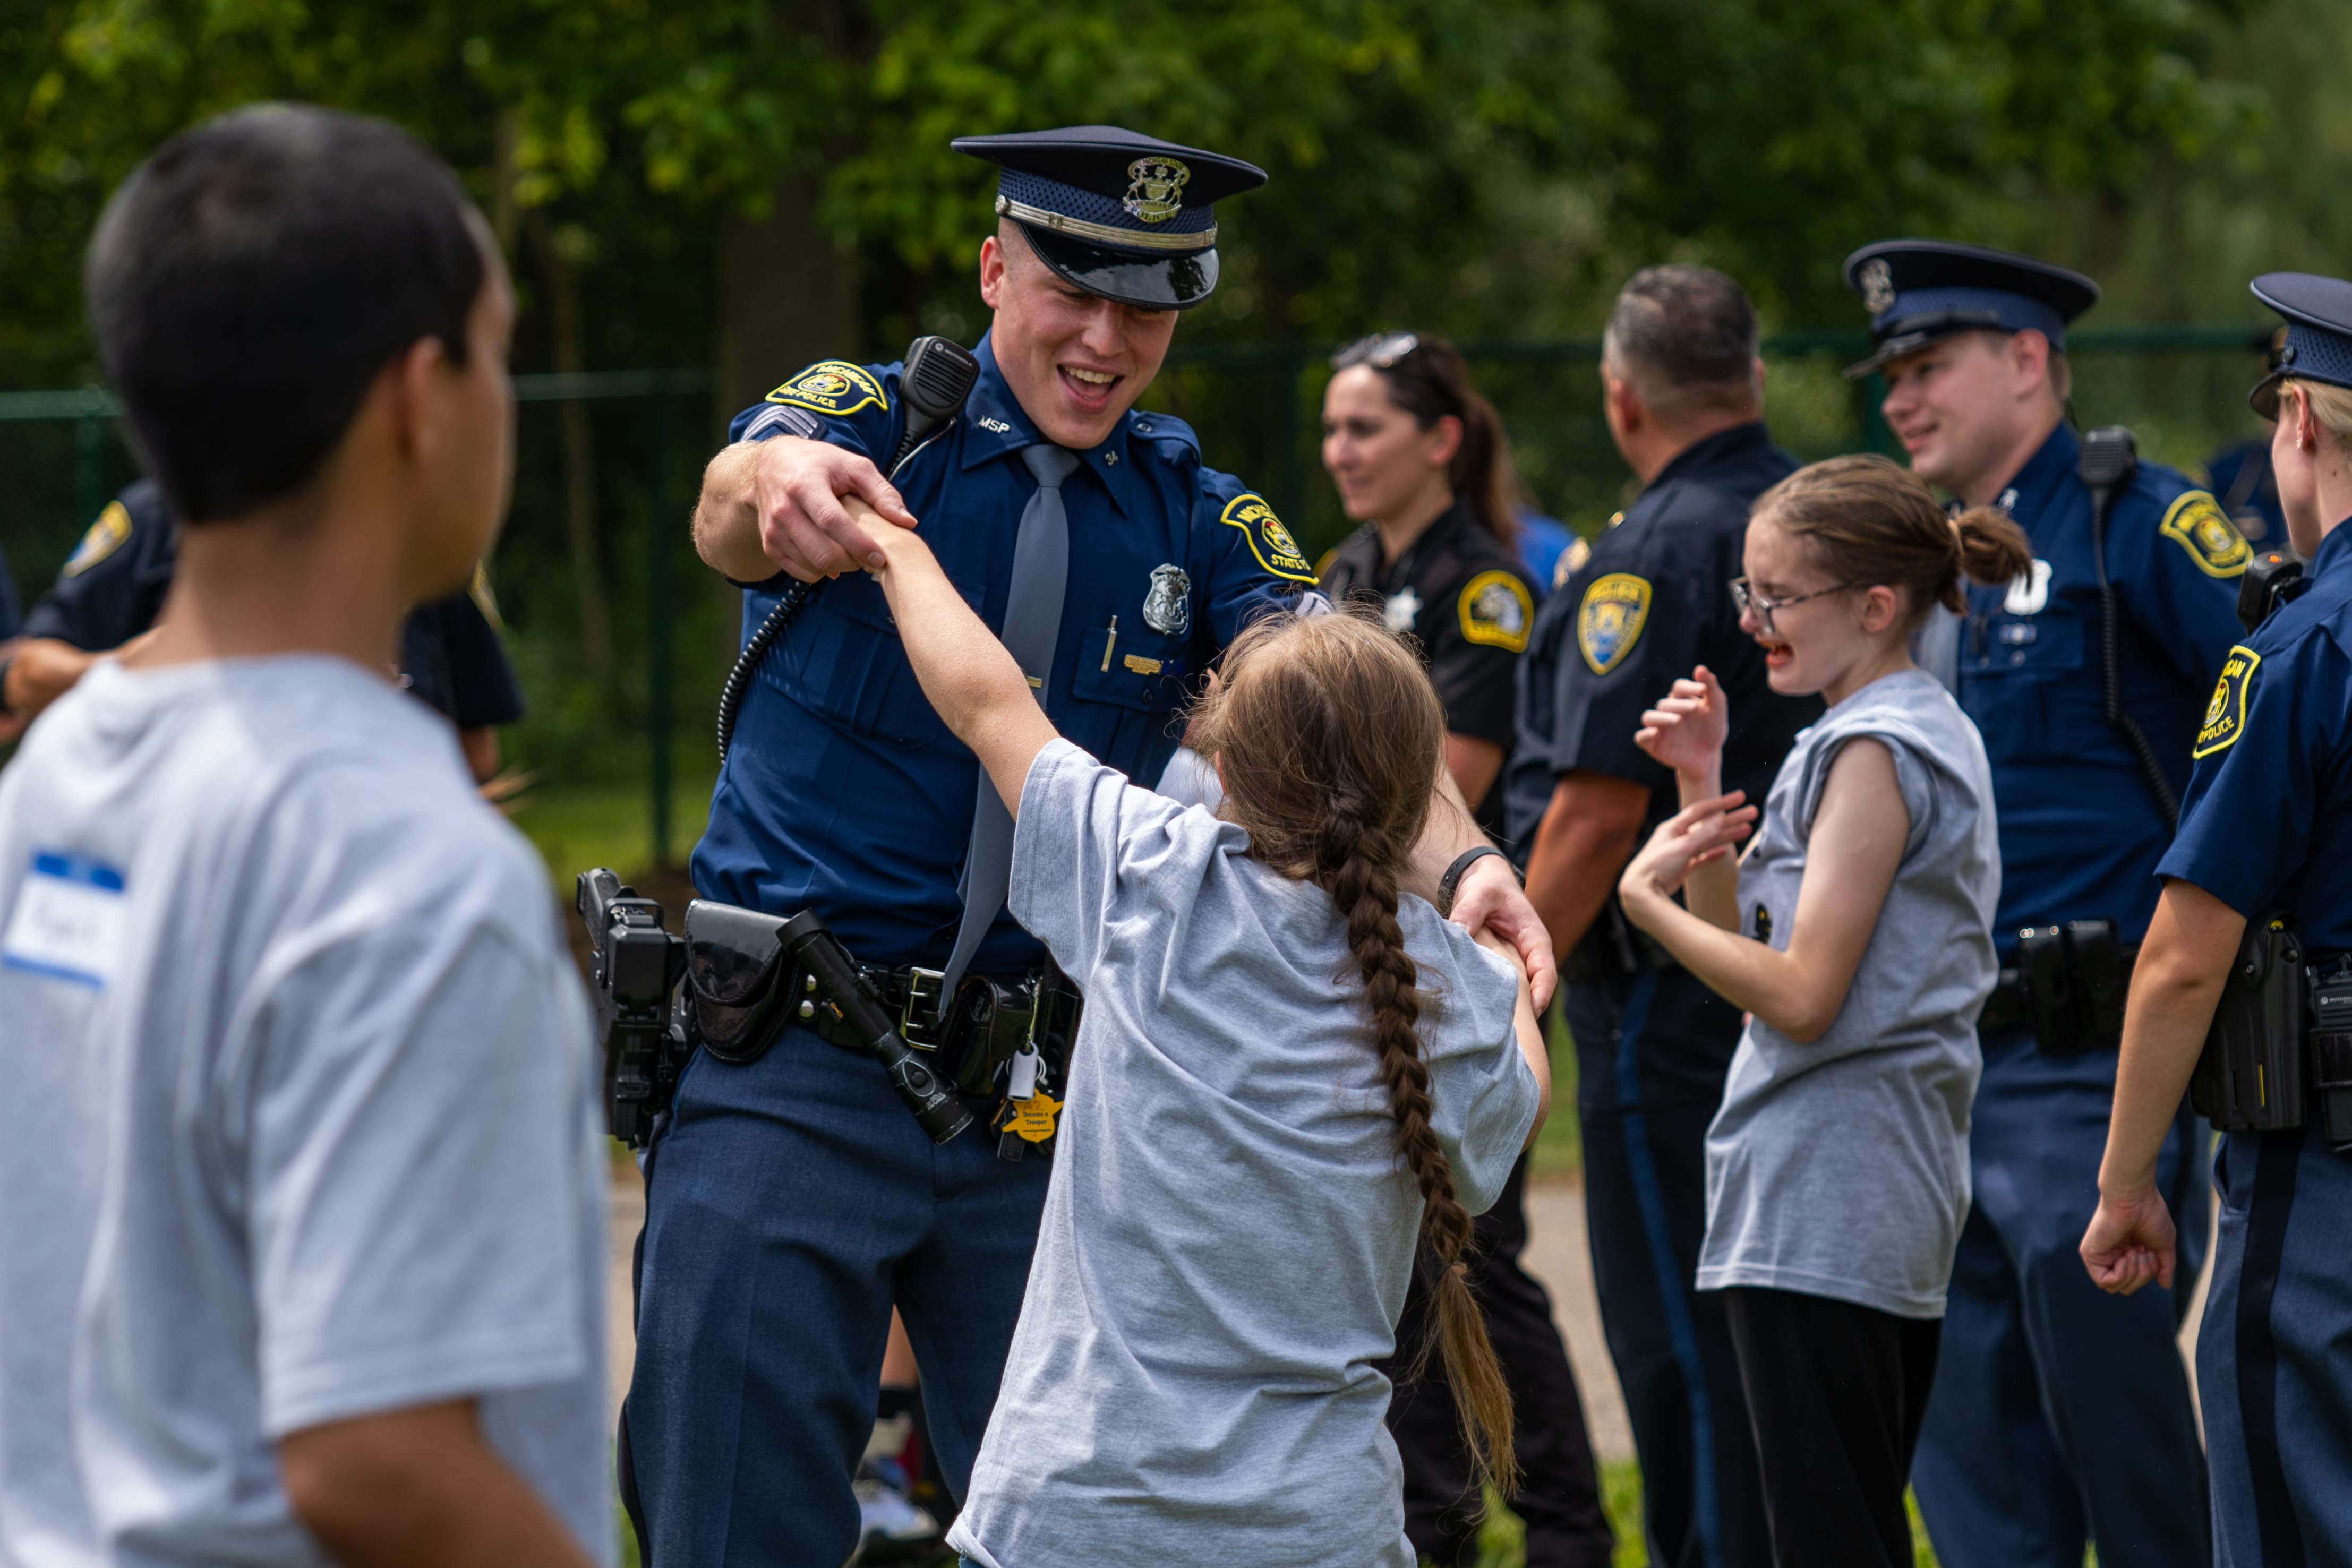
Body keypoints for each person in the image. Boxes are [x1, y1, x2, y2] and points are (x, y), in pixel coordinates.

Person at [631, 125, 1556, 1566]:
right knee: (732, 1512)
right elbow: (733, 498)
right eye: (1075, 291)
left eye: (1150, 307)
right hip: (792, 1071)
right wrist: (776, 489)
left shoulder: (1194, 507)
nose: (1107, 339)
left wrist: (1464, 864)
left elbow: (1333, 699)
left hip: (1038, 1109)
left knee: (1075, 1520)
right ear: (996, 269)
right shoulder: (871, 422)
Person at [0, 106, 609, 1566]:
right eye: (500, 350)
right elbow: (377, 1462)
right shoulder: (410, 871)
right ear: (422, 399)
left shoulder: (58, 779)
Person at [853, 510, 1549, 1566]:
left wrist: (893, 547)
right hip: (1320, 1533)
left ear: (1223, 764)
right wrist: (1493, 941)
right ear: (1420, 793)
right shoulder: (1449, 998)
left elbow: (988, 700)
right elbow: (1522, 1070)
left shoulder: (1151, 881)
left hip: (1078, 1516)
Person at [1841, 239, 2238, 1567]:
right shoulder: (1915, 558)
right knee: (1969, 1446)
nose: (1898, 398)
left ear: (2025, 361)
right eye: (1887, 374)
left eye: (1925, 365)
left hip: (2087, 1058)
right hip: (1945, 1051)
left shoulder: (2139, 521)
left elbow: (2284, 727)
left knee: (2112, 1421)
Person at [1620, 457, 2023, 1564]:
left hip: (1832, 1201)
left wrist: (1641, 906)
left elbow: (1799, 1000)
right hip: (1848, 1197)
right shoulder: (1877, 732)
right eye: (1748, 595)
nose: (1752, 621)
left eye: (1777, 597)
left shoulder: (1875, 750)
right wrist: (1699, 794)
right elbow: (1755, 961)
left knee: (1829, 1539)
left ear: (1875, 606)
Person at [1504, 263, 1811, 1568]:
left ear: (1620, 398)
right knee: (1759, 1331)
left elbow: (1586, 813)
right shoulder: (1807, 515)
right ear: (1747, 378)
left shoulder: (1660, 543)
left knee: (1682, 1351)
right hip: (1794, 969)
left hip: (1666, 1004)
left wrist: (1495, 989)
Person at [1317, 330, 1610, 1566]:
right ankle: (1432, 1517)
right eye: (1330, 429)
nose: (1339, 451)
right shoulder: (1337, 569)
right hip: (1343, 953)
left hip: (1433, 963)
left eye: (1365, 427)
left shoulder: (1479, 586)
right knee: (1400, 1267)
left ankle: (1563, 1528)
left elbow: (1442, 794)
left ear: (1438, 439)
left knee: (1480, 1265)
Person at [2082, 270, 2352, 1567]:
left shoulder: (2301, 647)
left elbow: (2183, 958)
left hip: (2322, 1190)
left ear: (2293, 419)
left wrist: (2127, 1180)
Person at [0, 477, 525, 781]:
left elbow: (478, 753)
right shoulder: (158, 514)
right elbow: (20, 670)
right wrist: (135, 668)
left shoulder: (426, 534)